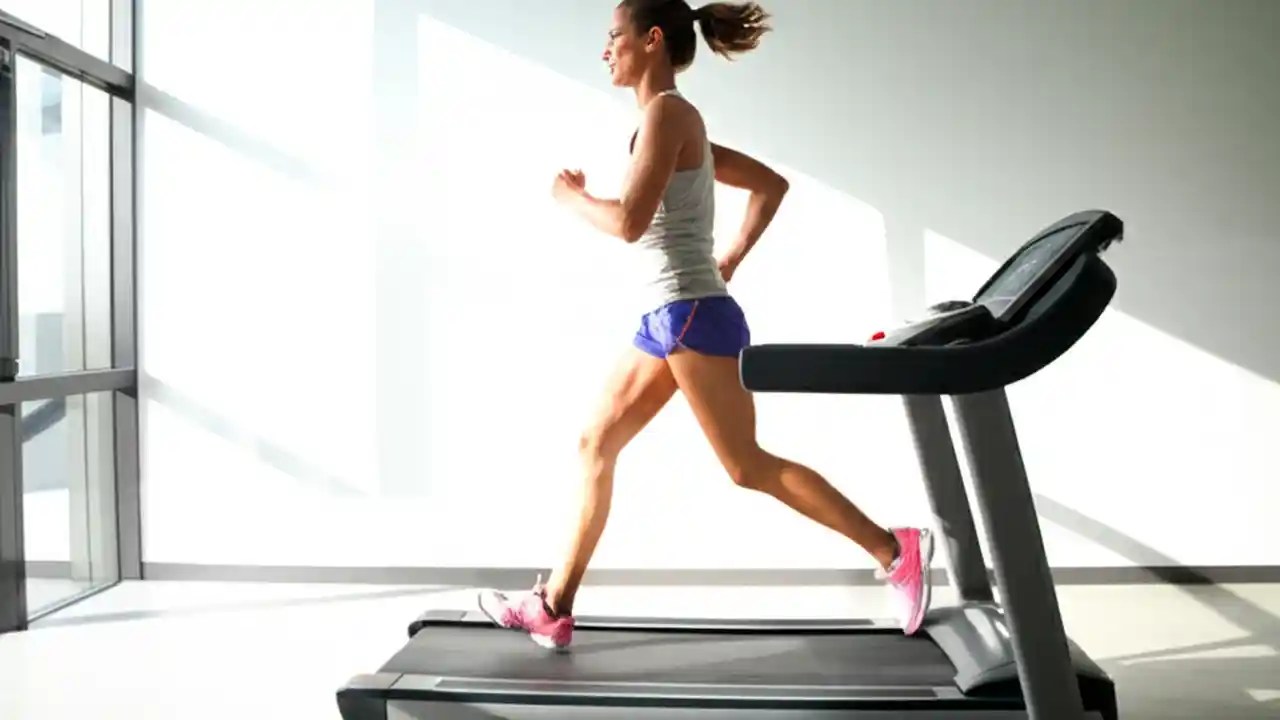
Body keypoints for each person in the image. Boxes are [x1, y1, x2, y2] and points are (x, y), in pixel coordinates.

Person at [478, 0, 933, 651]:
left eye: (614, 36)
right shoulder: (668, 122)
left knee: (746, 467)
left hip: (690, 314)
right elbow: (769, 185)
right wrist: (729, 258)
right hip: (668, 317)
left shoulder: (667, 113)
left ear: (651, 39)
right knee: (595, 444)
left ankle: (896, 550)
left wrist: (572, 198)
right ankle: (554, 606)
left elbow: (631, 223)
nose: (605, 49)